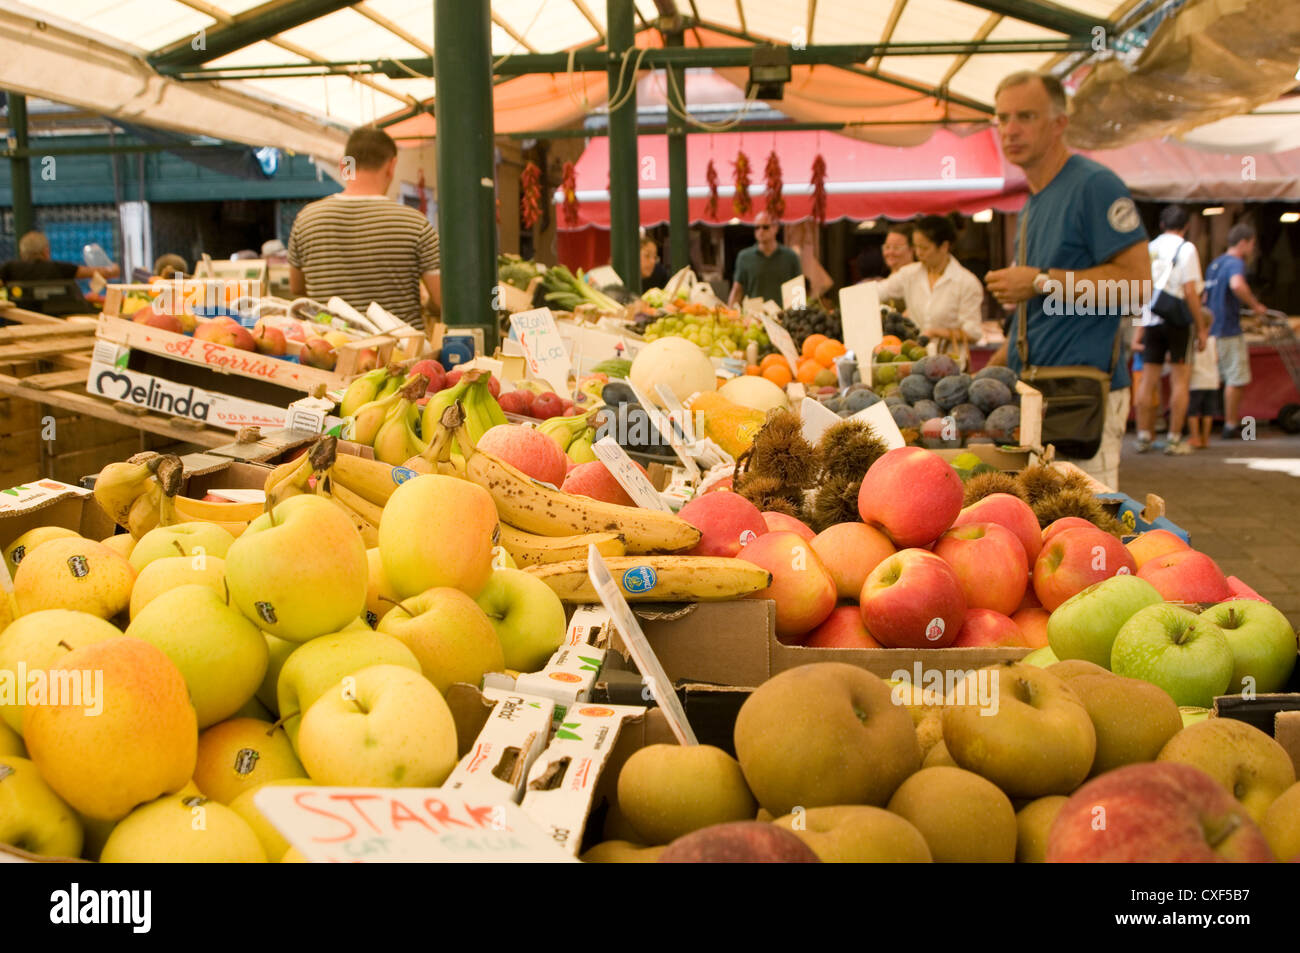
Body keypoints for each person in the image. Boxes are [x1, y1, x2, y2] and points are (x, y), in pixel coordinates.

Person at [984, 71, 1151, 491]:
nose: (1010, 130)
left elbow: (1136, 287)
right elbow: (1038, 312)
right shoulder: (1033, 203)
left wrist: (1039, 281)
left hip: (1080, 395)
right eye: (1002, 118)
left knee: (1088, 525)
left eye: (1026, 116)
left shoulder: (1095, 186)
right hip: (1038, 395)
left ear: (1060, 123)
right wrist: (992, 367)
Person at [289, 126, 441, 330]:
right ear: (391, 165)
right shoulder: (415, 224)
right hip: (399, 356)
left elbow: (296, 287)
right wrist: (426, 303)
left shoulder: (306, 219)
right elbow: (441, 301)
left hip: (329, 349)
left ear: (346, 165)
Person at [1132, 205, 1210, 455]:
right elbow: (1190, 291)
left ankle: (1144, 435)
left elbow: (1142, 292)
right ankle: (1174, 438)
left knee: (1148, 379)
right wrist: (1201, 328)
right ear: (1186, 226)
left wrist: (1139, 330)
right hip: (1177, 321)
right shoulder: (1186, 249)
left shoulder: (1150, 248)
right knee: (1180, 380)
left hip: (1152, 319)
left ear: (1162, 225)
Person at [875, 214, 984, 355]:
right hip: (914, 361)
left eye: (924, 248)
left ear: (944, 246)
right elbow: (878, 291)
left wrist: (935, 333)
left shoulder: (966, 282)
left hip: (949, 365)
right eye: (916, 247)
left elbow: (973, 333)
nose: (919, 253)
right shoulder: (909, 274)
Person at [1203, 223, 1267, 441]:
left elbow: (1204, 297)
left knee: (1212, 379)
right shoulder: (1235, 263)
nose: (1253, 250)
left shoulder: (1215, 264)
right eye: (1252, 244)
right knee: (1235, 378)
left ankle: (1203, 428)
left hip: (1211, 330)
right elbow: (1237, 285)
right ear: (1244, 242)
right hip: (1228, 329)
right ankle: (1231, 425)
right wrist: (1256, 306)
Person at [727, 211, 803, 307]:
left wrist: (800, 318)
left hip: (783, 317)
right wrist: (729, 314)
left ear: (776, 228)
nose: (760, 231)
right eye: (757, 227)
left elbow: (798, 290)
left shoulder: (790, 257)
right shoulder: (744, 257)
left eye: (765, 227)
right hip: (754, 317)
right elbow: (737, 290)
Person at [1187, 334, 1220, 449]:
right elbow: (1216, 359)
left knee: (1192, 412)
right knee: (1208, 412)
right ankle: (1206, 439)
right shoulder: (1212, 340)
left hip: (1196, 381)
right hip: (1211, 381)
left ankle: (1195, 437)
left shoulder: (1191, 341)